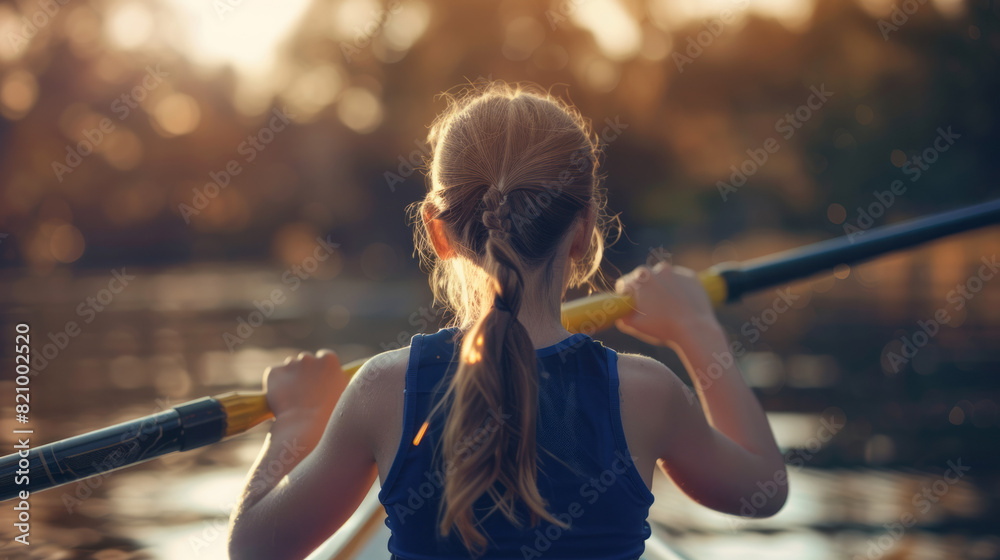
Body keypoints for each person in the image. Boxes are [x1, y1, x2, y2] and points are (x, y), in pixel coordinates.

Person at [227, 83, 787, 560]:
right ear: (585, 227)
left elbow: (255, 548)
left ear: (436, 231)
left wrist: (298, 421)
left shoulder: (382, 390)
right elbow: (763, 489)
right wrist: (696, 330)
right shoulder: (646, 393)